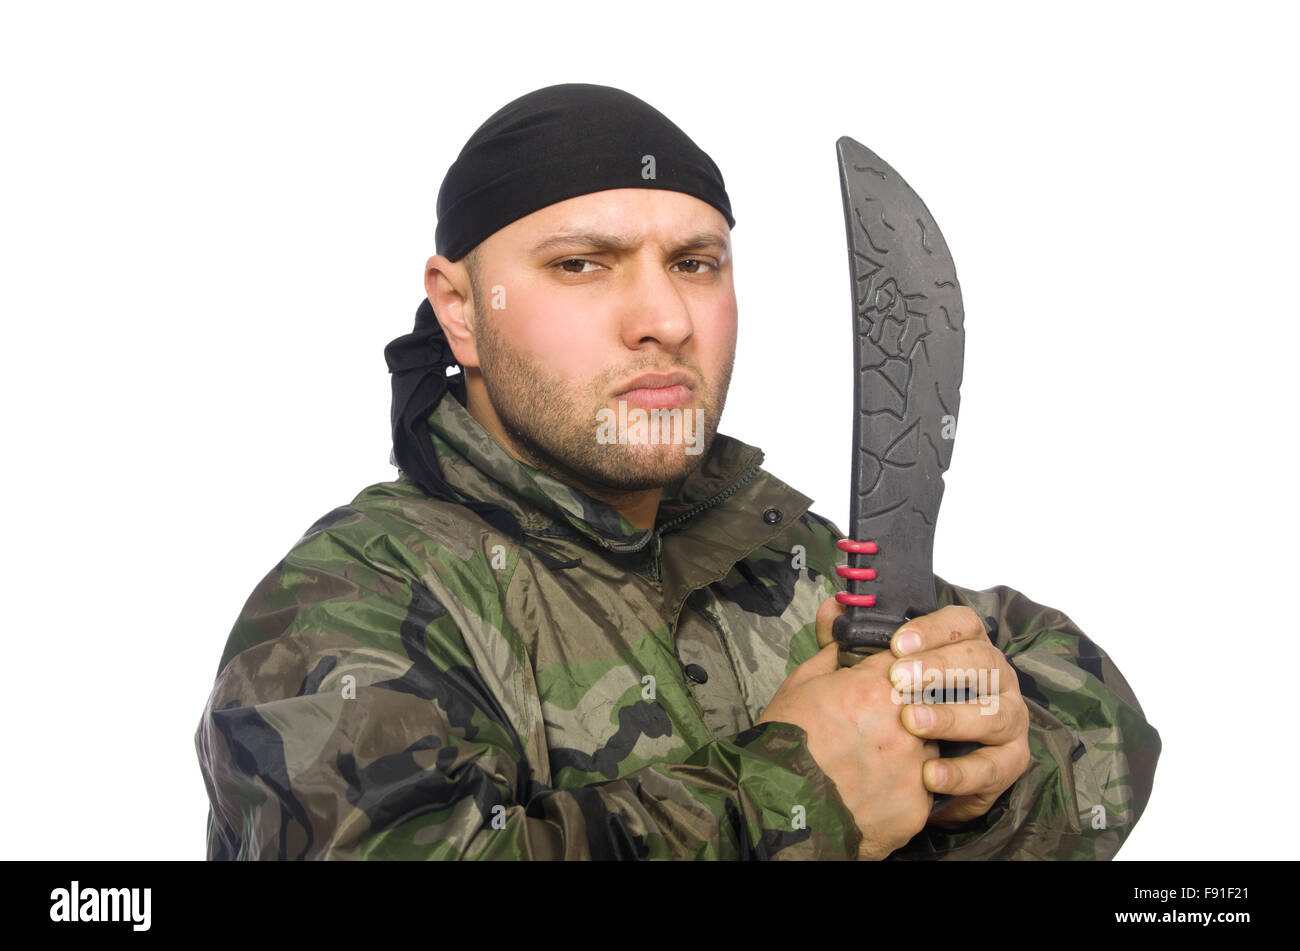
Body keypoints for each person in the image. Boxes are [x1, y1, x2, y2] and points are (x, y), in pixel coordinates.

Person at [194, 83, 1160, 860]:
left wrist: (977, 779)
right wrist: (796, 794)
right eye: (582, 264)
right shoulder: (352, 598)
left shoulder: (791, 559)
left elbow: (1101, 717)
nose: (665, 317)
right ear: (458, 309)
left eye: (697, 263)